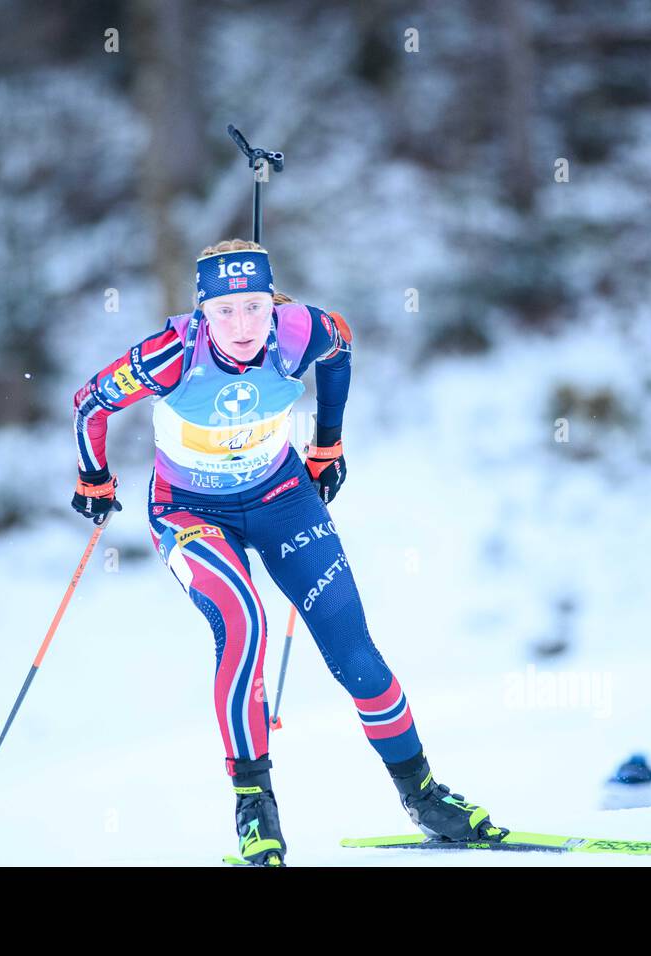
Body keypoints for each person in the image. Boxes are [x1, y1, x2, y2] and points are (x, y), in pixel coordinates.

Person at [70, 239, 507, 865]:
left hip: (283, 498)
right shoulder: (171, 354)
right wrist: (94, 478)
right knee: (245, 622)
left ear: (272, 305)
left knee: (355, 653)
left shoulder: (300, 331)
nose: (242, 326)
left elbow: (341, 348)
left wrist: (327, 444)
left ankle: (424, 795)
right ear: (203, 312)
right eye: (225, 311)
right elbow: (90, 401)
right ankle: (256, 810)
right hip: (190, 512)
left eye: (253, 307)